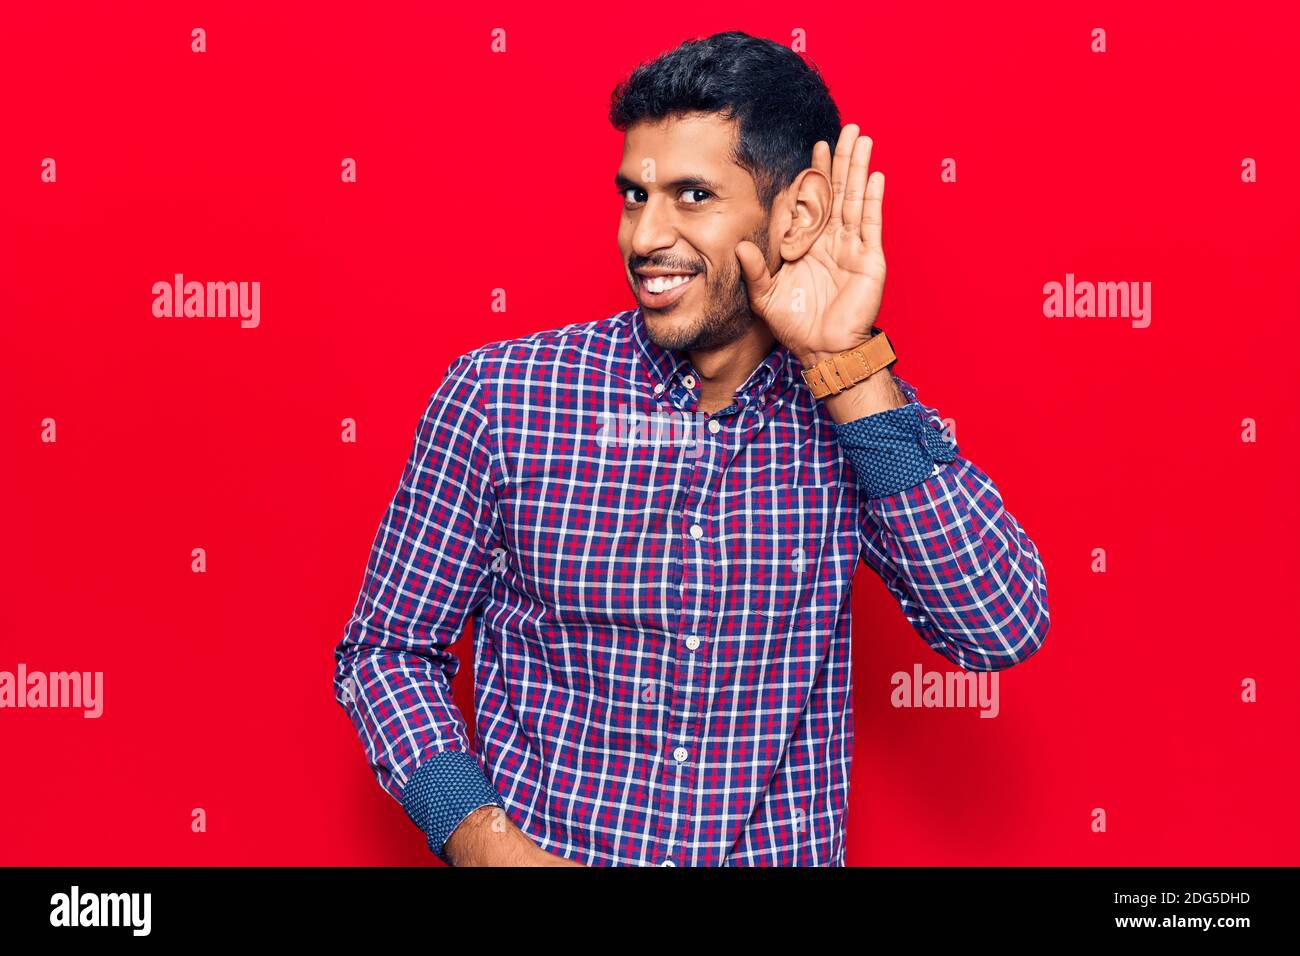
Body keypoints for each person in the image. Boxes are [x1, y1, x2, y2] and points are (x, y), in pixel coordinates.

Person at [333, 30, 1049, 867]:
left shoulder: (855, 414)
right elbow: (385, 652)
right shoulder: (501, 396)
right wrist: (487, 845)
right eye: (636, 196)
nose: (644, 239)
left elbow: (999, 626)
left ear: (799, 213)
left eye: (693, 195)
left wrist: (846, 366)